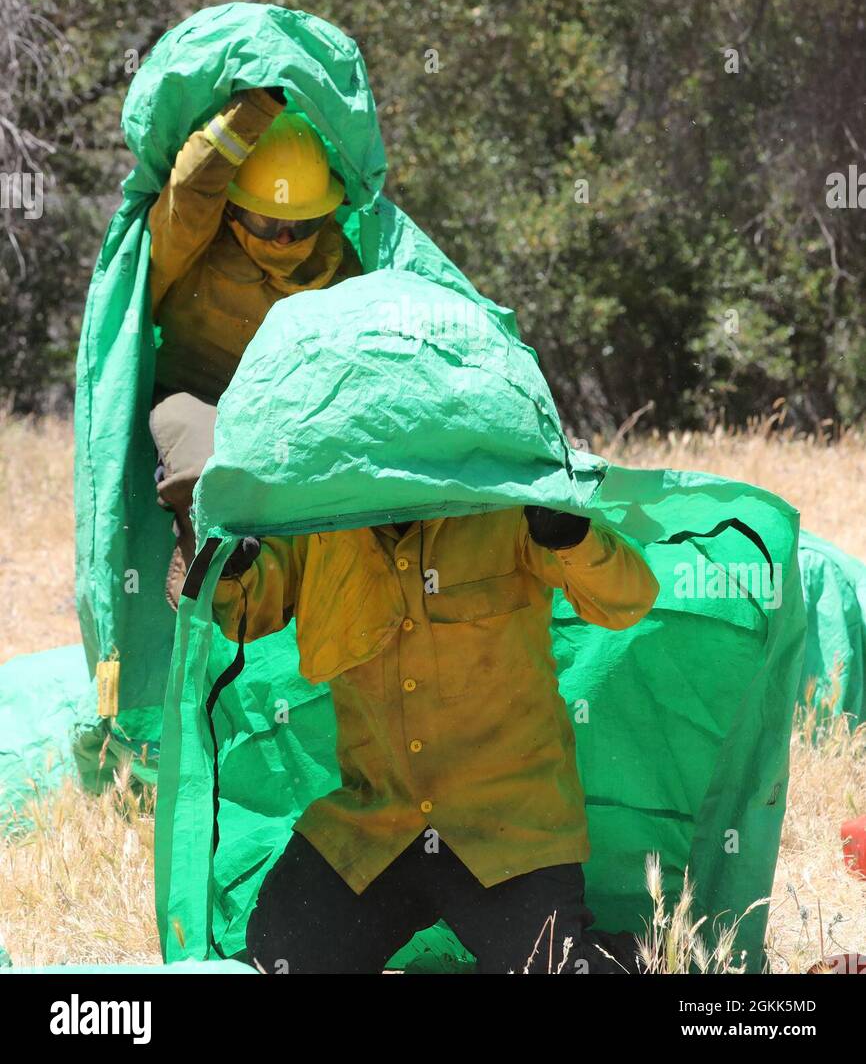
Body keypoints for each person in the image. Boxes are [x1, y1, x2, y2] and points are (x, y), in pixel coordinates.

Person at [213, 503, 660, 974]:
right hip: (377, 822)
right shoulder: (321, 514)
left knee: (551, 969)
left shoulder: (503, 495)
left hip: (511, 828)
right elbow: (244, 610)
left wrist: (570, 535)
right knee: (282, 956)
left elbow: (626, 599)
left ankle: (644, 959)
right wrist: (230, 568)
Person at [148, 85, 360, 606]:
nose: (285, 238)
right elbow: (191, 192)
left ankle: (278, 591)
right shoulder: (195, 247)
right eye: (269, 221)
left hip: (290, 408)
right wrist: (252, 111)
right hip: (196, 396)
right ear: (236, 211)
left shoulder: (341, 263)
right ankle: (213, 568)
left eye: (302, 223)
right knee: (205, 460)